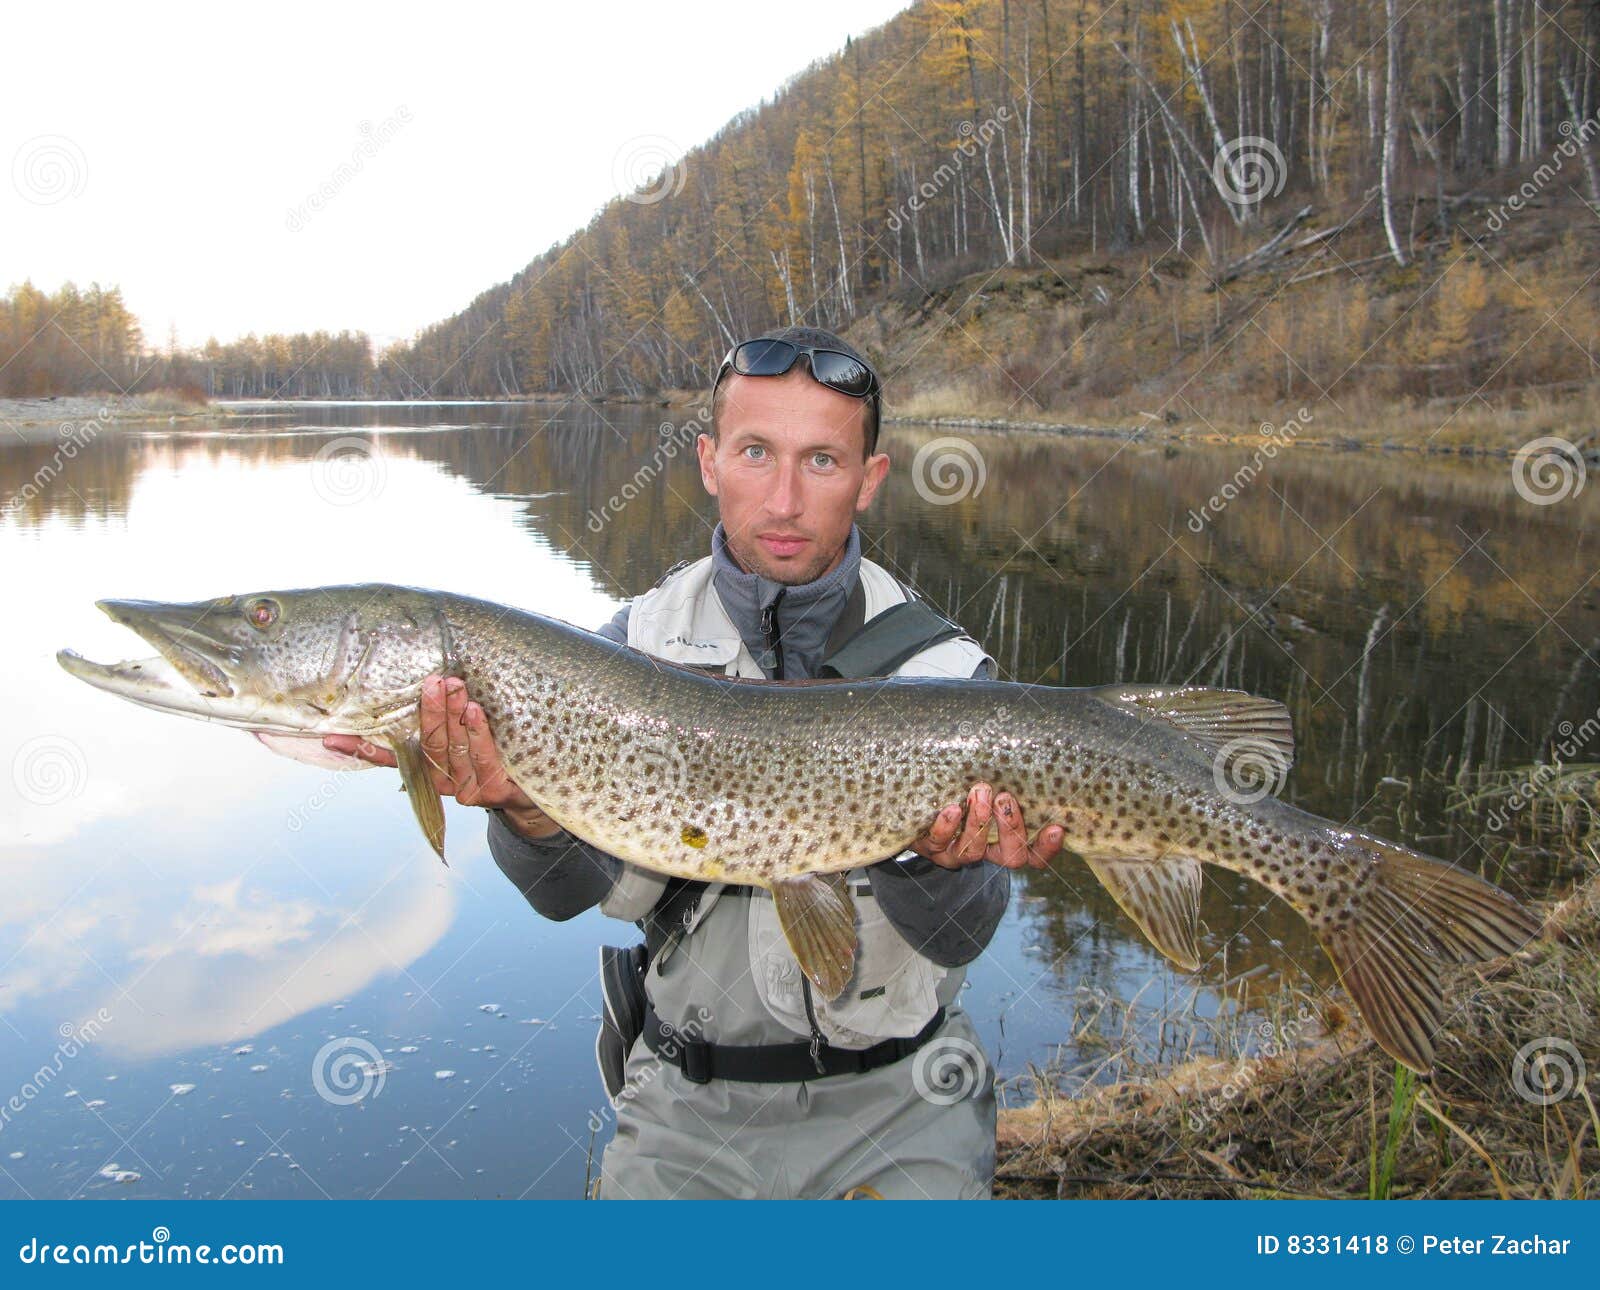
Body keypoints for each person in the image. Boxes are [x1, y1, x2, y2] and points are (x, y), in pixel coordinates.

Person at [326, 326, 1064, 1198]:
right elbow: (562, 896)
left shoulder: (947, 678)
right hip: (687, 1104)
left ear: (868, 482)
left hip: (903, 1102)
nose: (784, 500)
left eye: (821, 461)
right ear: (710, 461)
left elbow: (959, 935)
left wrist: (933, 862)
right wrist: (521, 809)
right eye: (757, 452)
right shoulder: (624, 652)